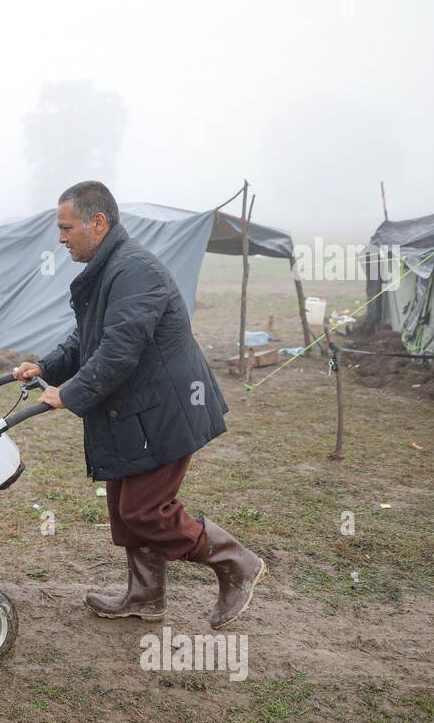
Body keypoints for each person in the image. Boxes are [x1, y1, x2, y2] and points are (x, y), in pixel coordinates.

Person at [14, 180, 266, 629]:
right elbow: (87, 339)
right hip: (133, 410)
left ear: (97, 222)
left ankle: (236, 562)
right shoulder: (108, 269)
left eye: (66, 227)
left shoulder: (134, 271)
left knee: (145, 510)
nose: (60, 237)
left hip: (164, 411)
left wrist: (68, 395)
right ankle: (145, 596)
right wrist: (46, 368)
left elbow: (118, 350)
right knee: (123, 508)